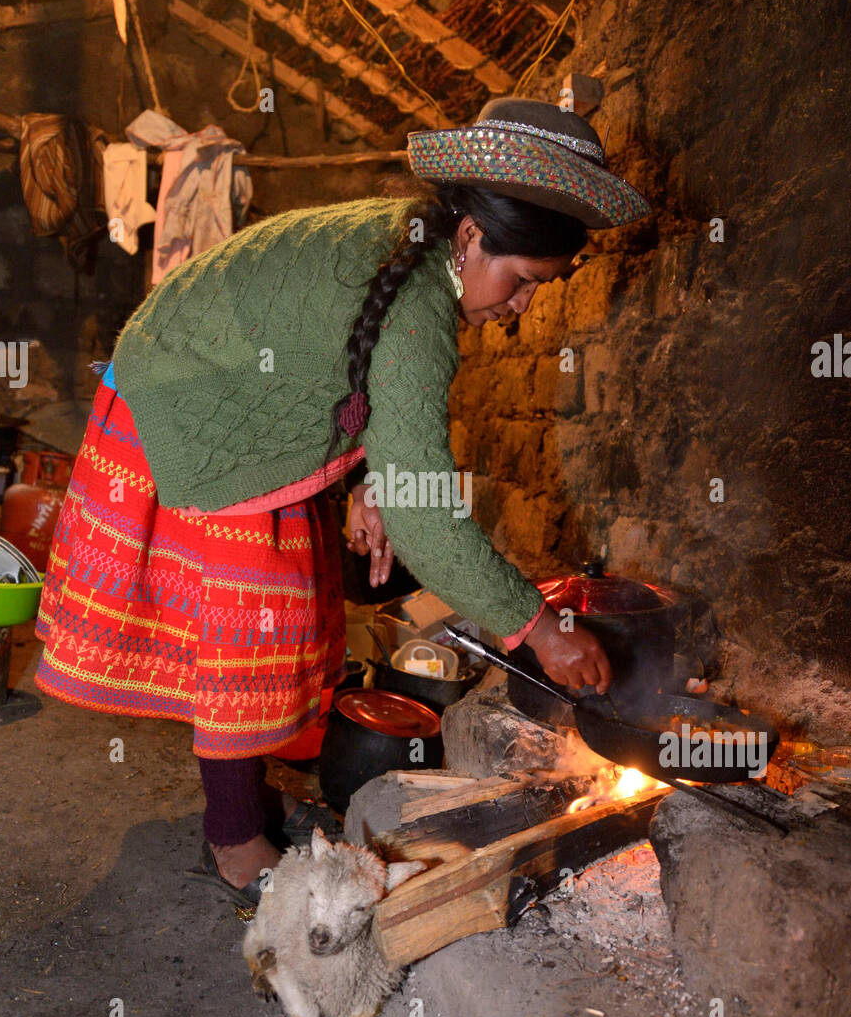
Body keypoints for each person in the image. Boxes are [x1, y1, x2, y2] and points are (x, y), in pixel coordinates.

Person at [33, 95, 651, 907]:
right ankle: (233, 841)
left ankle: (241, 800)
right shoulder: (421, 305)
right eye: (523, 281)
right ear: (470, 238)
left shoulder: (408, 243)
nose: (519, 307)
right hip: (187, 409)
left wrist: (364, 480)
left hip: (200, 389)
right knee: (251, 631)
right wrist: (538, 626)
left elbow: (332, 364)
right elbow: (427, 508)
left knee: (280, 611)